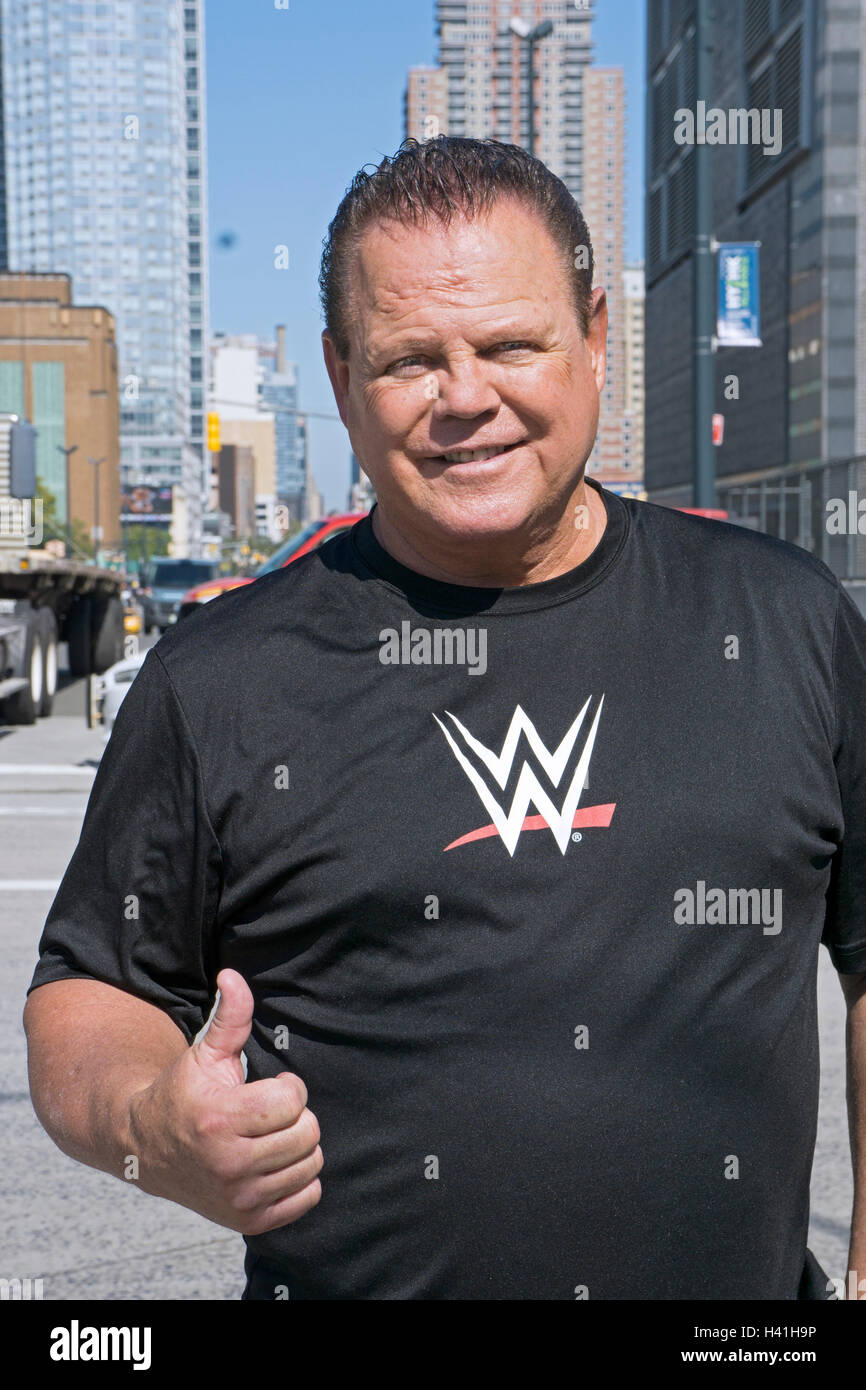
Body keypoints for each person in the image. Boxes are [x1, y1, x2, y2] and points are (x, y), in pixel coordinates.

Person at [24, 137, 866, 1300]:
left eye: (511, 344)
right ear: (337, 377)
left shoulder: (787, 622)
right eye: (409, 358)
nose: (464, 397)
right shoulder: (217, 677)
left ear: (593, 339)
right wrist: (146, 1121)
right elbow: (92, 988)